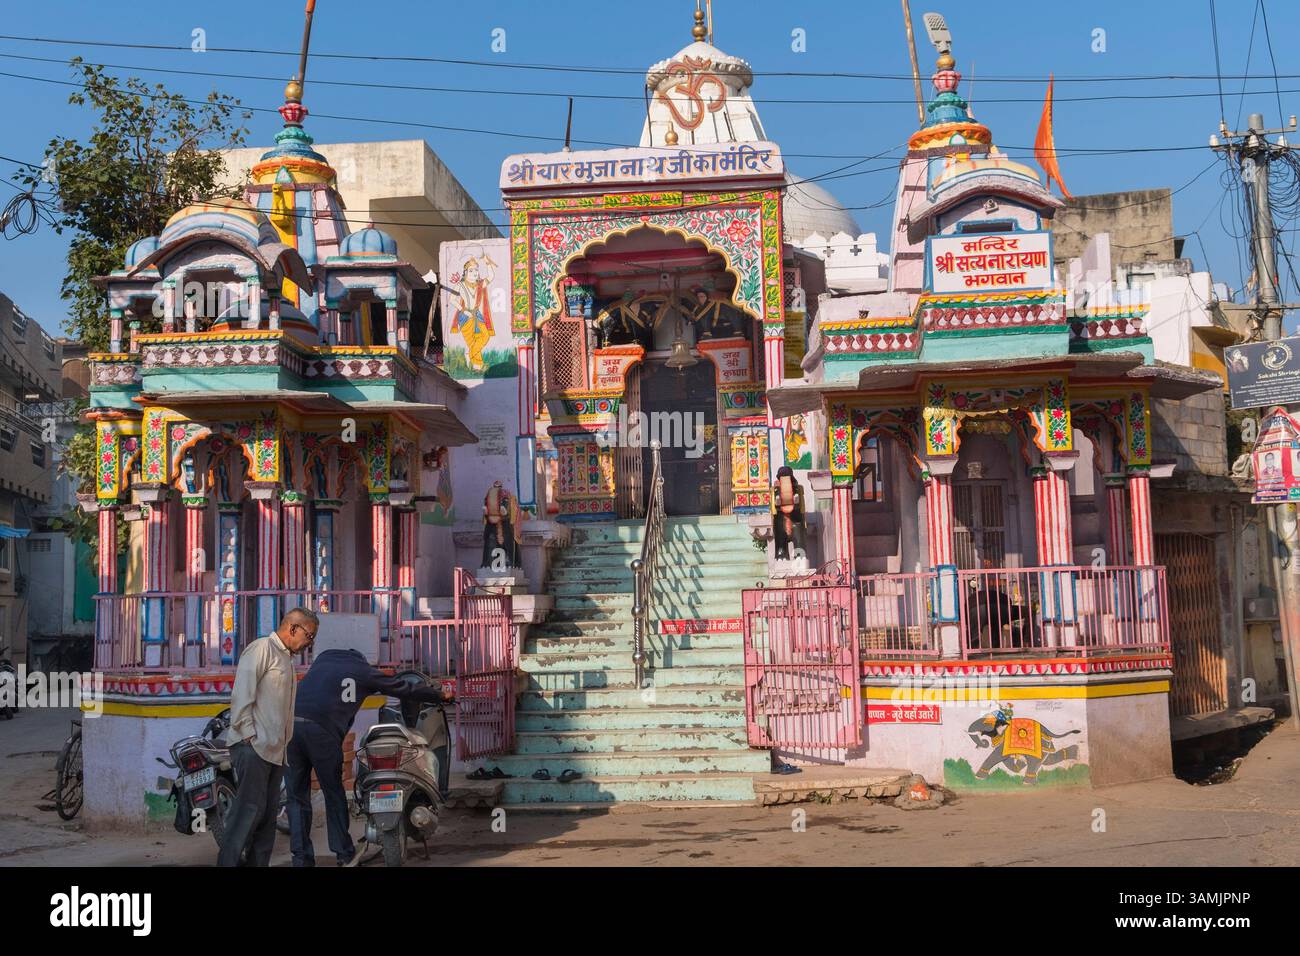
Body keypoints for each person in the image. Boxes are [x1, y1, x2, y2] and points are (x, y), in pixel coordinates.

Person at [286, 649, 452, 867]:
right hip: (322, 732)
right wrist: (439, 695)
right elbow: (400, 687)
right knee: (333, 793)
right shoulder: (362, 671)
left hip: (290, 728)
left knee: (296, 797)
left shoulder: (321, 662)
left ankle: (301, 860)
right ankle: (344, 854)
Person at [217, 607, 318, 867]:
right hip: (254, 748)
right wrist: (250, 735)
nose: (310, 643)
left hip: (275, 751)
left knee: (266, 819)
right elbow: (242, 695)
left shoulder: (285, 658)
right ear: (293, 628)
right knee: (247, 814)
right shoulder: (261, 648)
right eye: (309, 636)